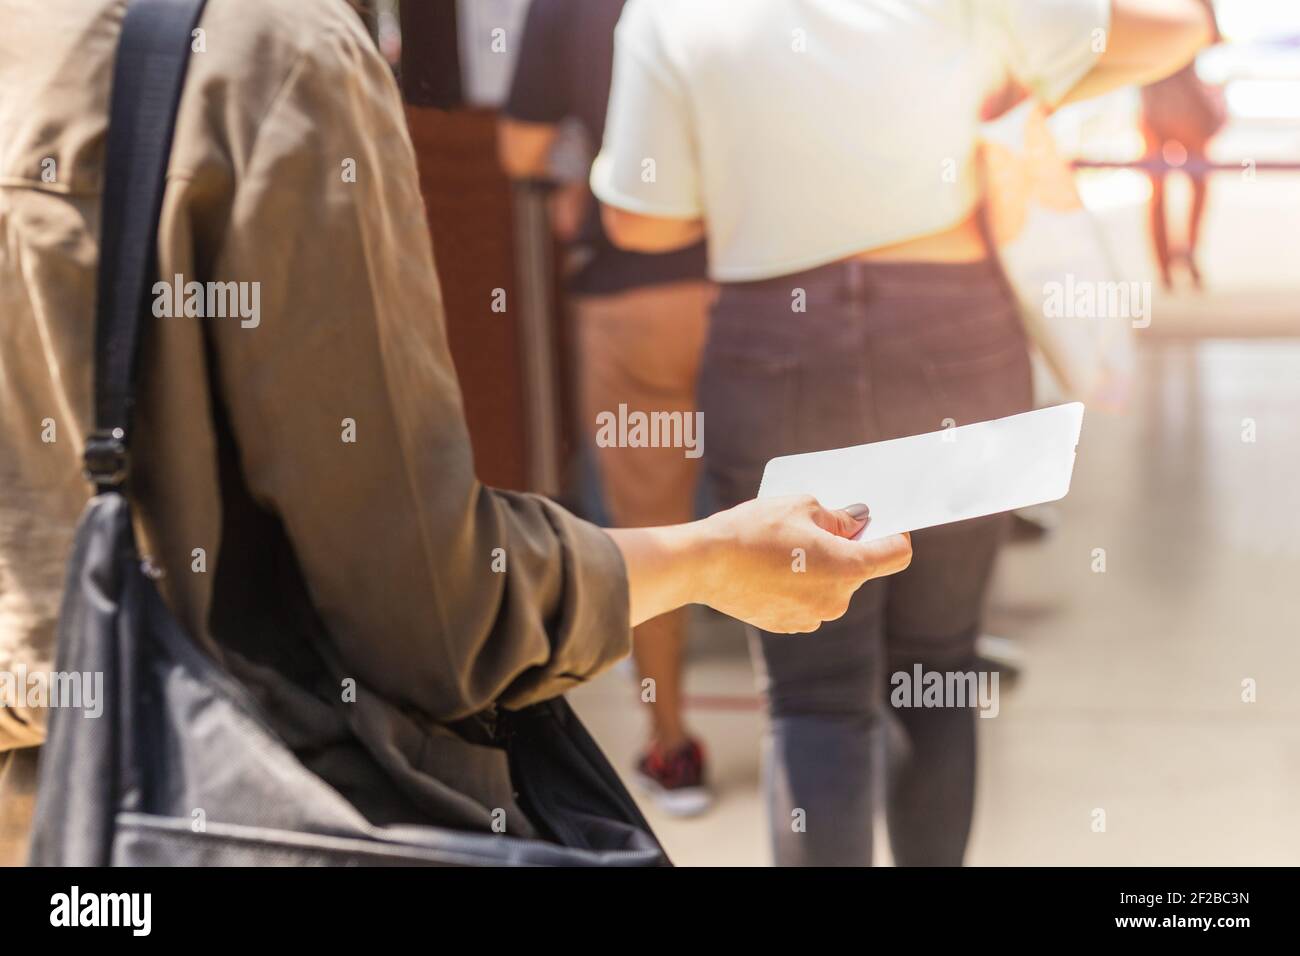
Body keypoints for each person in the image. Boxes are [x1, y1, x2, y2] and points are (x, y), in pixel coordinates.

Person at [0, 0, 911, 865]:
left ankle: (669, 738)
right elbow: (432, 611)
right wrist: (713, 560)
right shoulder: (276, 56)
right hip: (256, 814)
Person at [593, 0, 1212, 865]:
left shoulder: (668, 13)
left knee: (811, 695)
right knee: (938, 664)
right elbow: (1180, 28)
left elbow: (639, 220)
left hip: (775, 338)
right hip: (950, 327)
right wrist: (1039, 79)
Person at [498, 0, 715, 816]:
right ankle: (826, 725)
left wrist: (578, 182)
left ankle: (672, 744)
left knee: (651, 526)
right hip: (775, 281)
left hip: (640, 294)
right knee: (806, 497)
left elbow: (519, 147)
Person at [1141, 0, 1224, 289]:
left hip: (1152, 98)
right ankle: (1186, 253)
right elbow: (1213, 37)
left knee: (1158, 189)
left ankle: (1166, 264)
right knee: (1196, 183)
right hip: (1184, 100)